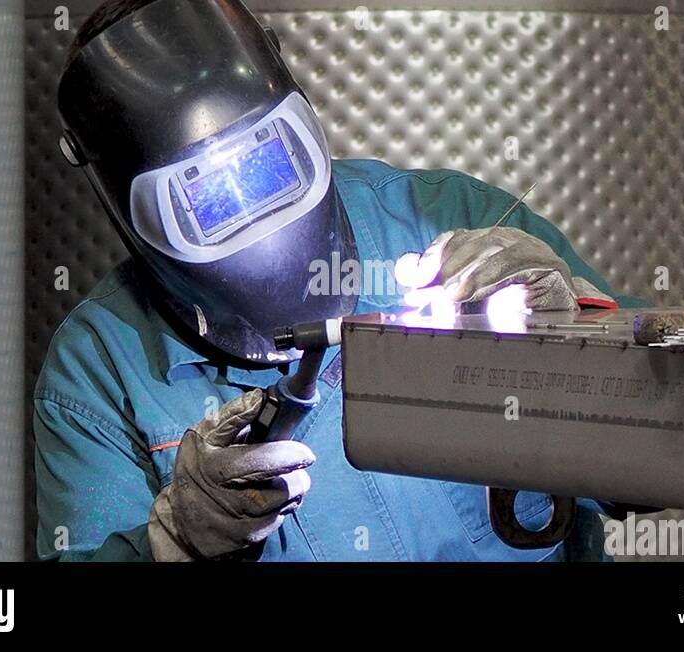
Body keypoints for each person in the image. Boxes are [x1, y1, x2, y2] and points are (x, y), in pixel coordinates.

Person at [35, 0, 642, 561]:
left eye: (263, 162)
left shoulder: (455, 221)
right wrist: (174, 545)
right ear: (126, 202)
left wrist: (579, 350)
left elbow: (675, 441)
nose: (250, 204)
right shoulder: (96, 369)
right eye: (210, 197)